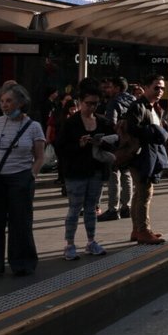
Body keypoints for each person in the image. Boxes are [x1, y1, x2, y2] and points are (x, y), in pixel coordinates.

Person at [0, 84, 45, 278]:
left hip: (20, 177)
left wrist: (32, 175)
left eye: (9, 101)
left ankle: (23, 263)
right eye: (2, 101)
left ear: (21, 103)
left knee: (20, 221)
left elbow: (39, 156)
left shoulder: (33, 127)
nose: (4, 105)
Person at [58, 83, 110, 261]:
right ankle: (69, 244)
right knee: (74, 208)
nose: (92, 107)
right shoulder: (71, 123)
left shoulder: (103, 121)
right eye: (88, 103)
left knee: (92, 208)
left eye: (95, 104)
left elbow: (112, 142)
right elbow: (61, 147)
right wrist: (78, 145)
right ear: (80, 102)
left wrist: (101, 143)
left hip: (95, 170)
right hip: (75, 171)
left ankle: (91, 241)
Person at [121, 76, 168, 245]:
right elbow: (134, 129)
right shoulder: (138, 106)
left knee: (140, 192)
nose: (160, 91)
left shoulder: (154, 107)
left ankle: (137, 229)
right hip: (140, 156)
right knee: (144, 192)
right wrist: (155, 131)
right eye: (156, 87)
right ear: (146, 87)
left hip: (149, 154)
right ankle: (143, 230)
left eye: (162, 88)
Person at [99, 77, 135, 222]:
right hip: (130, 142)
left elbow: (111, 123)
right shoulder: (132, 99)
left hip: (116, 142)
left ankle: (113, 209)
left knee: (114, 175)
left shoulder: (114, 102)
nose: (108, 89)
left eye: (111, 86)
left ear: (118, 88)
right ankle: (127, 207)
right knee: (127, 174)